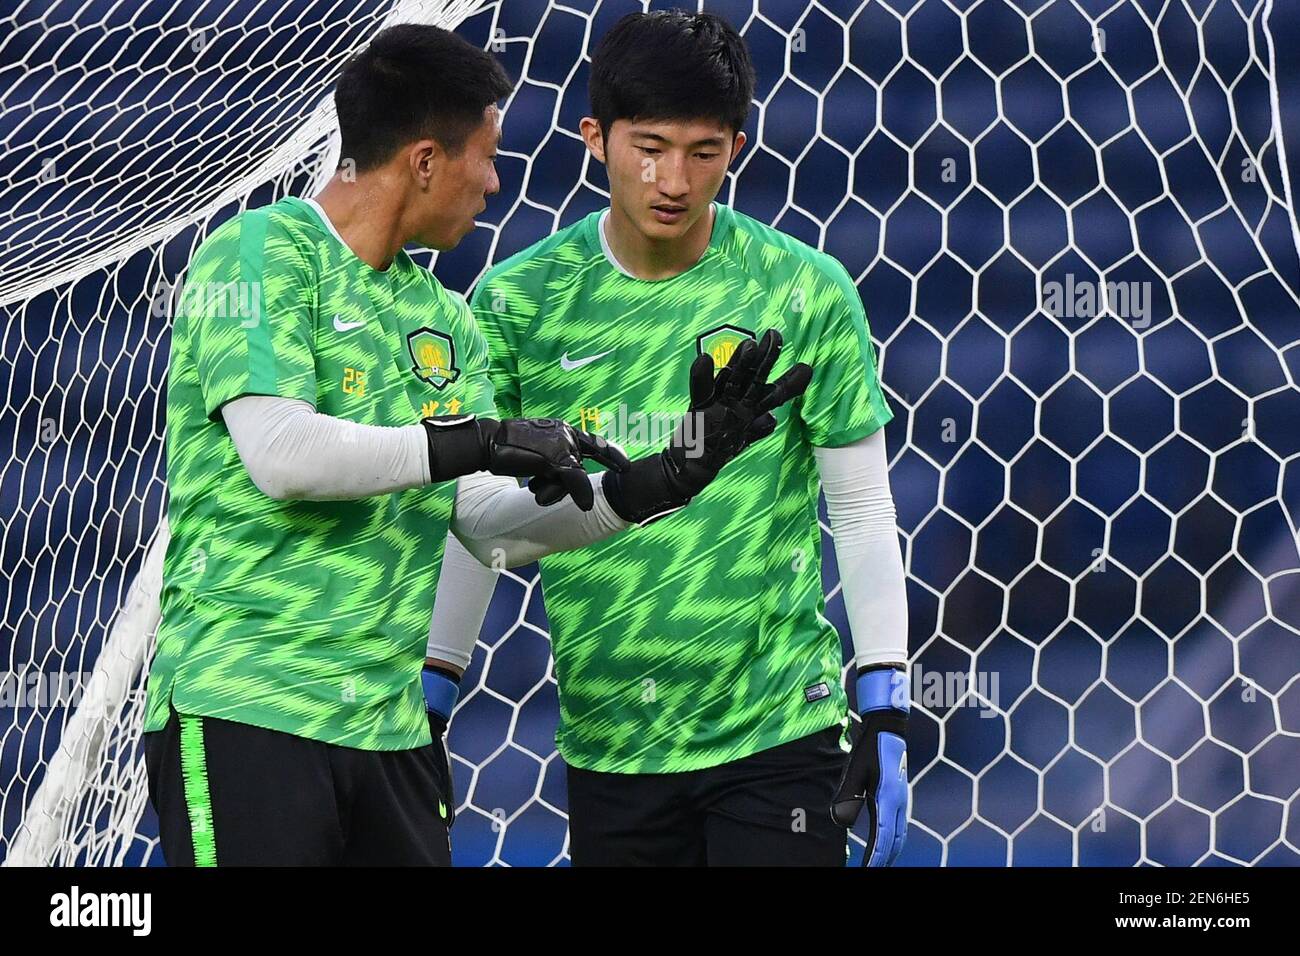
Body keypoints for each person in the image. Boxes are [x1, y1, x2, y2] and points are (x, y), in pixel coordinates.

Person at [143, 22, 806, 866]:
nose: (494, 184)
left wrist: (655, 485)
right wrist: (479, 438)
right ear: (425, 161)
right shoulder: (260, 252)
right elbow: (283, 458)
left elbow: (483, 527)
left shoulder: (447, 321)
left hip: (389, 731)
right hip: (248, 707)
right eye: (485, 157)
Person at [428, 10, 909, 867]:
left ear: (739, 145)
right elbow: (478, 516)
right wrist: (437, 683)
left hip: (776, 729)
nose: (674, 179)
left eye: (703, 150)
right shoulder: (515, 304)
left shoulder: (807, 292)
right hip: (611, 741)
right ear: (594, 139)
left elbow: (863, 506)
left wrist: (886, 699)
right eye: (648, 146)